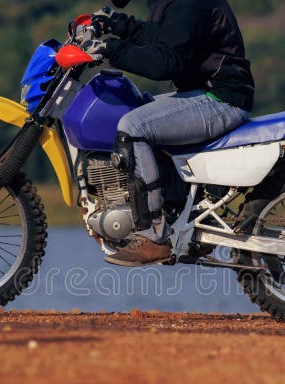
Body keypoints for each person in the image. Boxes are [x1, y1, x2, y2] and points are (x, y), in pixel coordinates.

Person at [81, 0, 256, 266]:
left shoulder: (186, 4)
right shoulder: (170, 4)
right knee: (141, 110)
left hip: (220, 99)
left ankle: (154, 236)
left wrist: (109, 49)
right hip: (204, 93)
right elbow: (160, 38)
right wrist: (115, 24)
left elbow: (165, 63)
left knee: (134, 127)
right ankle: (175, 207)